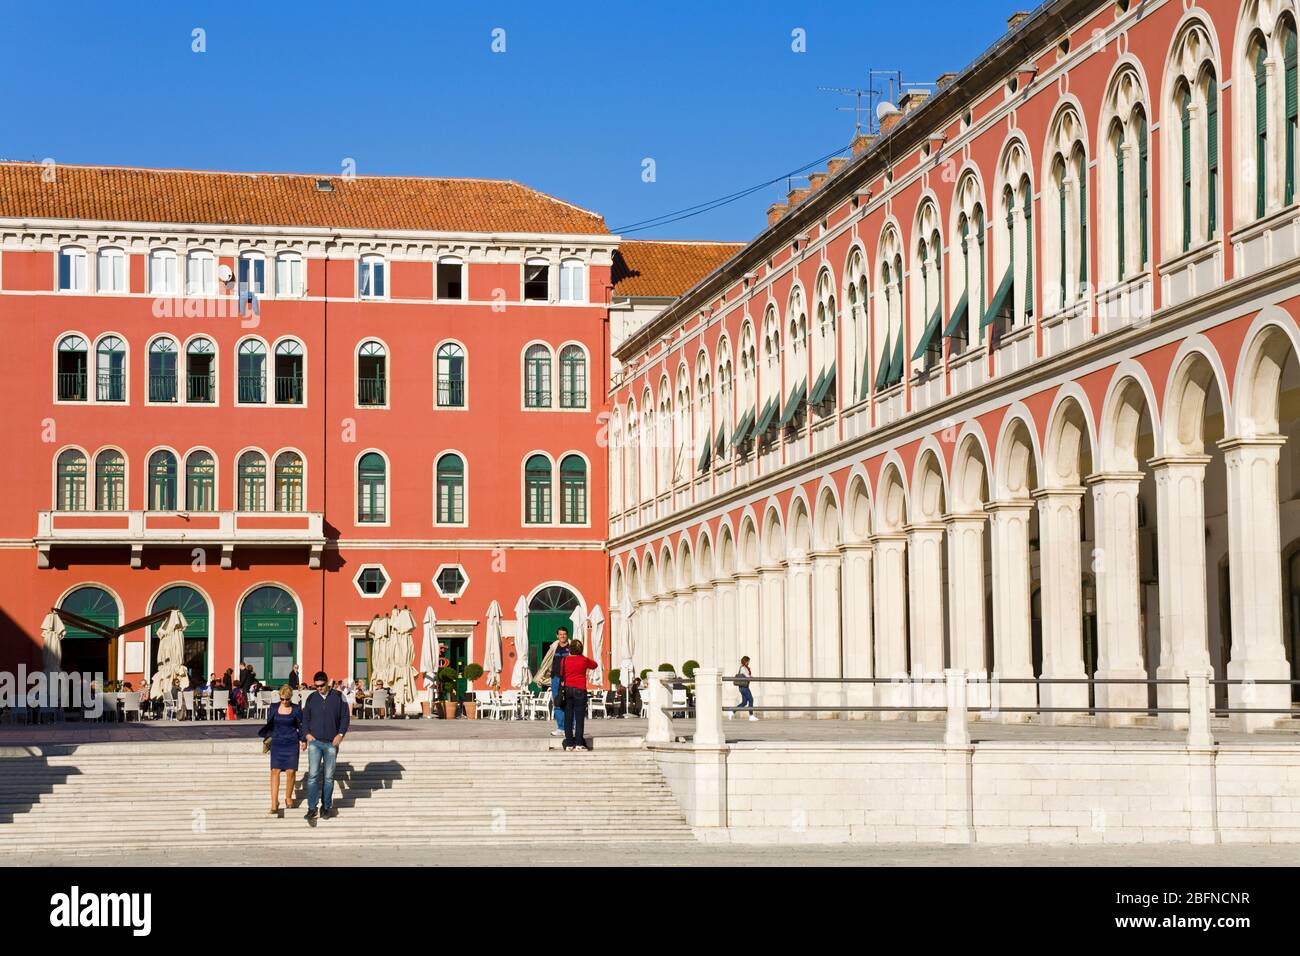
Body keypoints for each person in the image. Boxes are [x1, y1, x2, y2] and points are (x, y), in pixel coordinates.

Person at [302, 671, 349, 825]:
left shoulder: (339, 696)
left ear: (327, 683)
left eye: (321, 686)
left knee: (328, 778)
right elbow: (305, 718)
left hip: (331, 743)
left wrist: (340, 735)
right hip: (314, 742)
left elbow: (345, 717)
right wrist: (307, 735)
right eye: (316, 686)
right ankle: (311, 808)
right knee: (313, 776)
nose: (319, 689)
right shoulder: (311, 697)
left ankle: (326, 807)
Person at [258, 684, 305, 817]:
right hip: (277, 742)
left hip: (291, 742)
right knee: (275, 771)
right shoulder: (273, 707)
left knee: (290, 772)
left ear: (291, 698)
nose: (285, 701)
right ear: (279, 697)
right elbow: (270, 724)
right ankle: (274, 803)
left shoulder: (296, 709)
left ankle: (288, 797)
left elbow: (301, 726)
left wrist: (303, 740)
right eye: (282, 699)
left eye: (287, 699)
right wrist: (267, 739)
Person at [559, 639, 597, 752]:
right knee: (579, 718)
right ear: (581, 649)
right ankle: (579, 743)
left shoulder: (564, 660)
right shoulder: (584, 660)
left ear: (570, 649)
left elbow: (561, 674)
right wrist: (582, 656)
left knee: (568, 717)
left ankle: (569, 743)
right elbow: (595, 665)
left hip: (568, 689)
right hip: (580, 690)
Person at [539, 627, 571, 737]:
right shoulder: (553, 647)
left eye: (564, 634)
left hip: (568, 678)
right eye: (560, 634)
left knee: (569, 703)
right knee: (557, 703)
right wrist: (541, 676)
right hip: (555, 678)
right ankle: (560, 728)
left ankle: (571, 728)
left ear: (567, 635)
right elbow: (546, 662)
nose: (562, 636)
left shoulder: (572, 647)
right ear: (557, 635)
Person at [734, 656, 756, 721]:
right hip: (744, 687)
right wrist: (751, 677)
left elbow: (747, 675)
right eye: (748, 661)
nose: (749, 662)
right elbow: (747, 676)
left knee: (744, 703)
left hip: (743, 687)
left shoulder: (744, 668)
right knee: (751, 700)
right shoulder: (743, 668)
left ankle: (732, 711)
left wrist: (751, 676)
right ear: (746, 661)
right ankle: (751, 716)